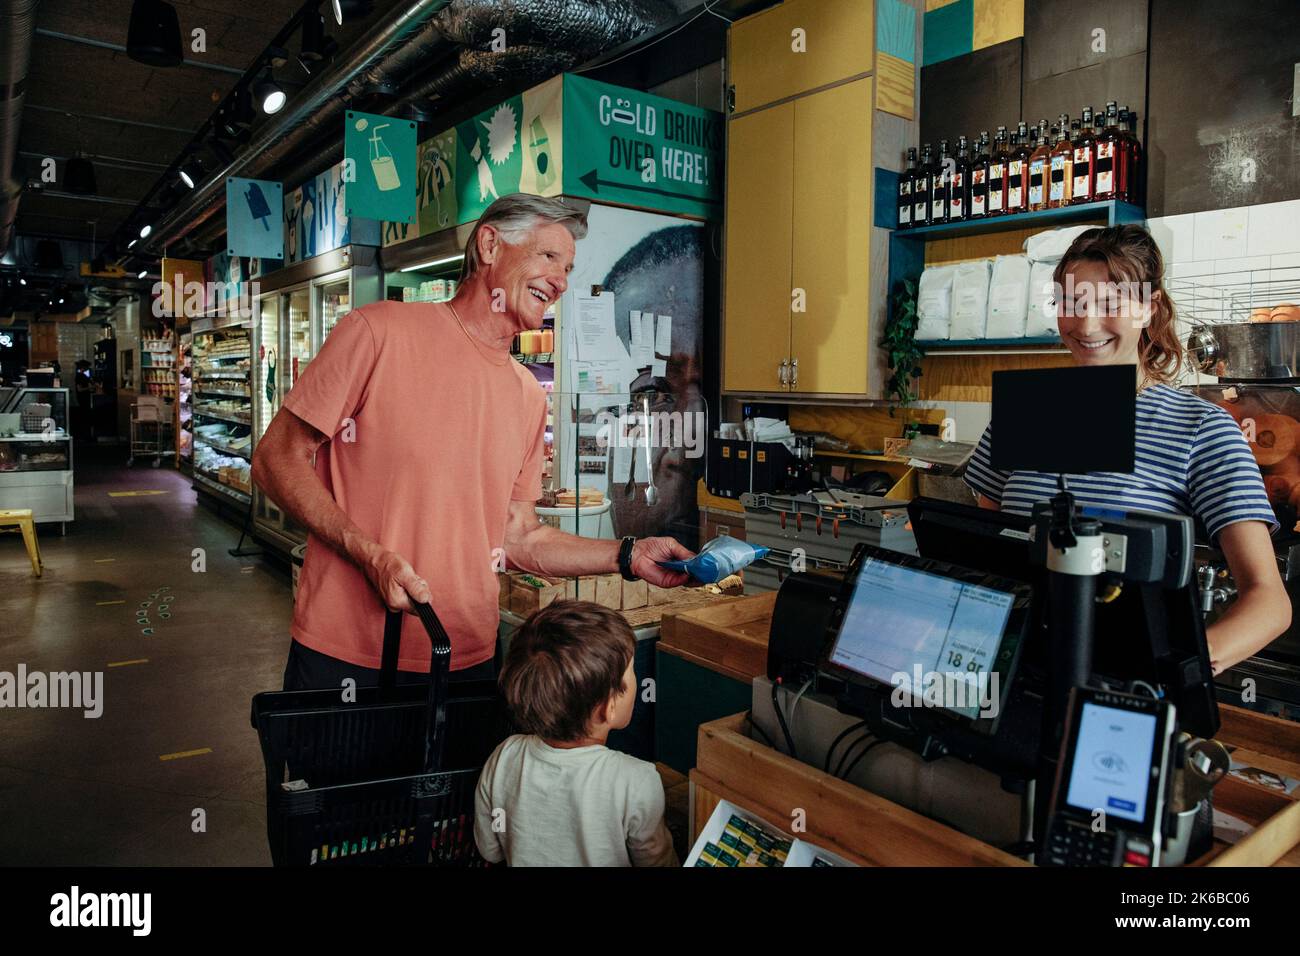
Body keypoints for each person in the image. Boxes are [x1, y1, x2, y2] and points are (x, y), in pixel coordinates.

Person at [251, 194, 694, 691]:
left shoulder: (527, 395)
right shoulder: (377, 333)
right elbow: (275, 459)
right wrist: (368, 554)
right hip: (350, 657)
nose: (561, 281)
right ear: (489, 245)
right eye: (548, 257)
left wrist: (628, 555)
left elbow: (520, 536)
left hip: (466, 659)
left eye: (568, 267)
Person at [965, 224, 1289, 675]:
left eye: (1109, 303)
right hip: (1013, 671)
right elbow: (988, 552)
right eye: (1072, 304)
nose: (1086, 324)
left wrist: (1172, 672)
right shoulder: (1029, 410)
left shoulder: (1199, 426)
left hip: (1120, 686)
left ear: (1148, 307)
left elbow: (1268, 601)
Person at [473, 601, 678, 867]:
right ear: (608, 707)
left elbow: (490, 849)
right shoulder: (637, 781)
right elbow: (658, 863)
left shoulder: (505, 755)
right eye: (632, 672)